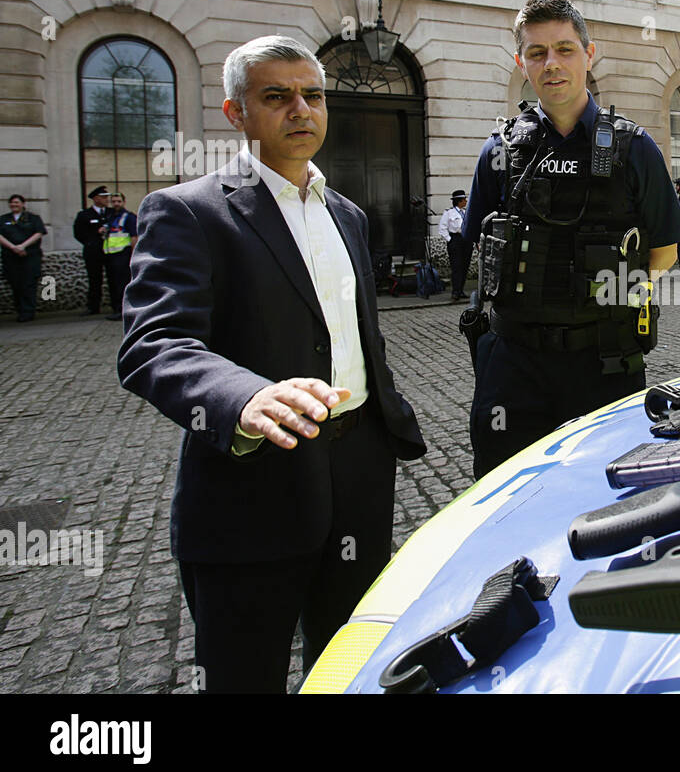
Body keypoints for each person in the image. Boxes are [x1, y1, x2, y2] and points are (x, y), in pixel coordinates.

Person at [118, 35, 426, 693]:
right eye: (276, 96)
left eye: (312, 95)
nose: (301, 109)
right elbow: (154, 342)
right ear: (235, 112)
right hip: (252, 489)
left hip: (358, 481)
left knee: (350, 666)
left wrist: (384, 419)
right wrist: (243, 398)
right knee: (244, 675)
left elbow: (350, 334)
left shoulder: (346, 214)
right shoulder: (188, 211)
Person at [463, 0, 680, 479]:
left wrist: (609, 292)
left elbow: (665, 251)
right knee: (503, 497)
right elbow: (477, 243)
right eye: (537, 52)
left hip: (604, 364)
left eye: (565, 49)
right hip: (513, 368)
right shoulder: (498, 151)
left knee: (608, 494)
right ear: (521, 61)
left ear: (589, 55)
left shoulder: (635, 147)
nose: (552, 64)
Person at [0, 194, 46, 323]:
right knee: (15, 284)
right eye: (12, 203)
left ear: (23, 204)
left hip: (30, 256)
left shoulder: (33, 218)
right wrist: (13, 247)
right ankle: (20, 310)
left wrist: (23, 246)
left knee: (29, 284)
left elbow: (39, 233)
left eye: (17, 202)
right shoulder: (3, 219)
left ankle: (28, 311)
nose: (14, 205)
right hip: (11, 256)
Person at [73, 185, 113, 316]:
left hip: (111, 251)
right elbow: (78, 233)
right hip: (93, 252)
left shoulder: (111, 213)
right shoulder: (85, 215)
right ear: (96, 199)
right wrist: (94, 236)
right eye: (103, 197)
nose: (107, 199)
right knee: (94, 280)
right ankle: (93, 306)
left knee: (113, 279)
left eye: (107, 197)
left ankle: (116, 305)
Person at [102, 192, 137, 321]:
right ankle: (116, 308)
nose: (116, 204)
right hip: (110, 255)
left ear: (124, 202)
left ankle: (124, 311)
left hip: (123, 255)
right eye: (114, 201)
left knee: (122, 284)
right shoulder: (110, 217)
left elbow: (134, 237)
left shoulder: (129, 217)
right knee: (113, 284)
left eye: (118, 201)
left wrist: (133, 255)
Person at [439, 189, 470, 300]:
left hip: (466, 240)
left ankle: (461, 290)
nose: (466, 201)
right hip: (455, 240)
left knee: (465, 266)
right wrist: (450, 240)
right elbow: (442, 228)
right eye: (464, 199)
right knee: (456, 266)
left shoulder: (467, 212)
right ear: (459, 201)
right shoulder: (449, 213)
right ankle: (455, 291)